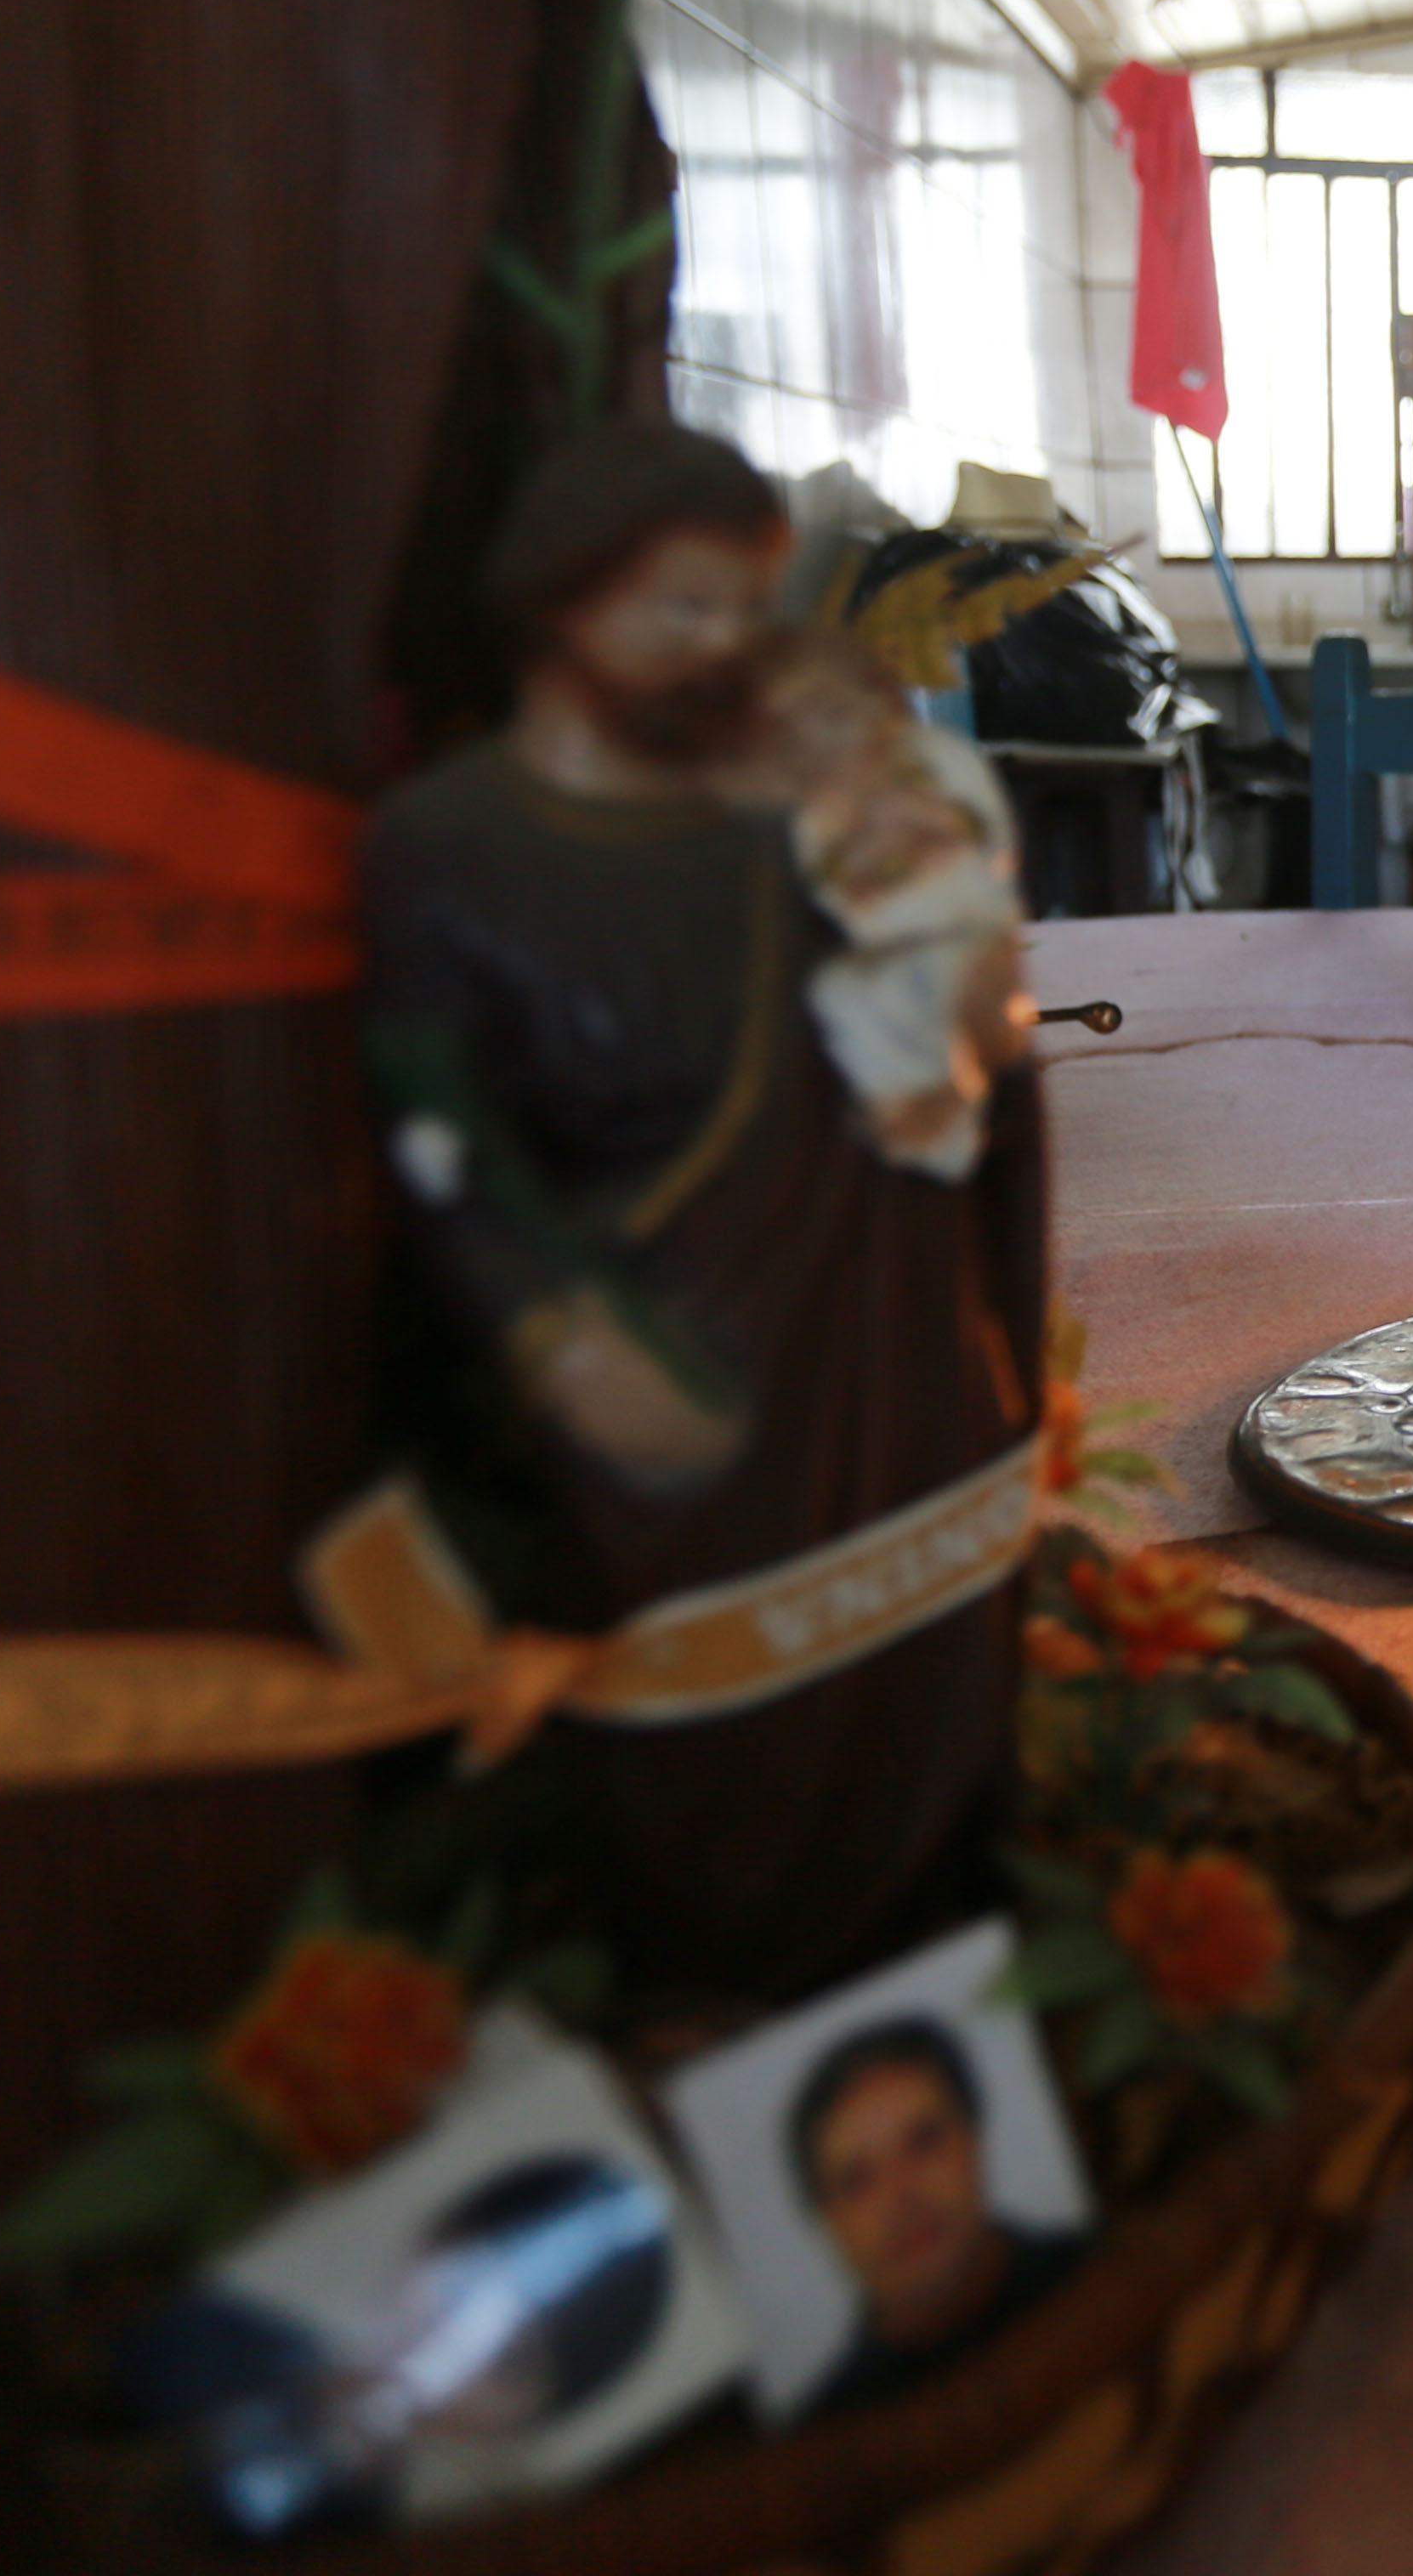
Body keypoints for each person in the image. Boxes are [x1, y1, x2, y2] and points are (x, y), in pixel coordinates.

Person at [360, 419, 1050, 1996]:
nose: (727, 649)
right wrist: (553, 1333)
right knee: (706, 1699)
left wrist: (960, 973)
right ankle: (710, 1963)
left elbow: (936, 1026)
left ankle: (936, 1918)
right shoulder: (449, 847)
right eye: (683, 610)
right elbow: (439, 1136)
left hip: (875, 1322)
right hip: (651, 1340)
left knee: (921, 1654)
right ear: (559, 613)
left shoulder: (771, 805)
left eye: (745, 607)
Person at [786, 2016, 1082, 2416]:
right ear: (826, 2219)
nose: (901, 2196)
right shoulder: (822, 2436)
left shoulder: (1107, 2265)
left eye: (924, 2142)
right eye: (858, 2181)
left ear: (973, 2139)